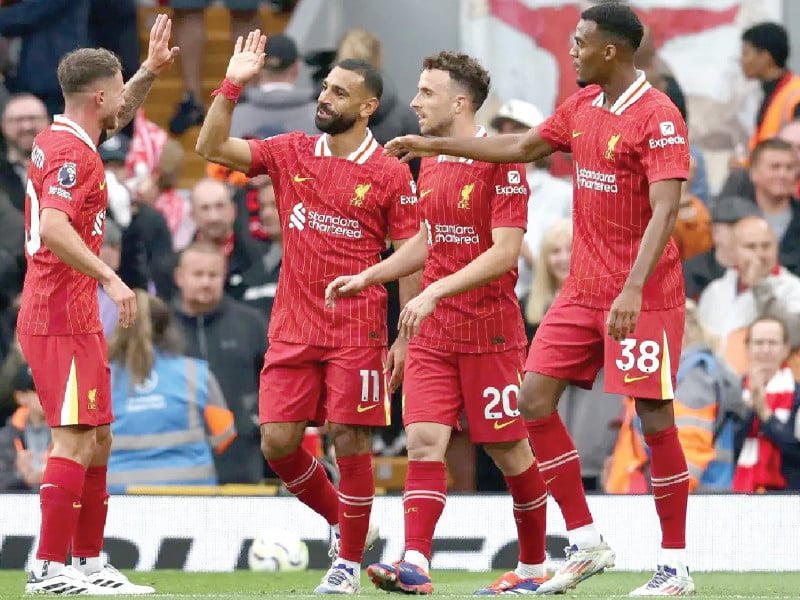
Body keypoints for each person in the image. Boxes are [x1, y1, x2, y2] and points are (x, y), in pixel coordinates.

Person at [385, 3, 693, 595]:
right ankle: (584, 540)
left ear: (611, 50)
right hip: (581, 290)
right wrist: (431, 145)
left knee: (654, 419)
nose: (571, 50)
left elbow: (666, 209)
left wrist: (632, 287)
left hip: (644, 293)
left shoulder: (659, 117)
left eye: (581, 42)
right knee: (531, 400)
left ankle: (674, 564)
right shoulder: (582, 107)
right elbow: (522, 147)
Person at [195, 31, 419, 594]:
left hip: (358, 327)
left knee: (349, 435)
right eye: (323, 88)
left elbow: (416, 248)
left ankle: (345, 565)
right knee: (277, 443)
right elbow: (211, 148)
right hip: (293, 326)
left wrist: (395, 311)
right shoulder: (291, 149)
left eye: (339, 93)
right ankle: (349, 527)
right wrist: (231, 85)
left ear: (367, 107)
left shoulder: (390, 172)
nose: (324, 98)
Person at [327, 50, 550, 596]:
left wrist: (435, 292)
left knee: (509, 450)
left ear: (459, 102)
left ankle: (535, 567)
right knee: (424, 443)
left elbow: (504, 254)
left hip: (491, 332)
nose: (414, 102)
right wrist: (371, 276)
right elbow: (429, 241)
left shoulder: (503, 161)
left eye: (426, 93)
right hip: (433, 330)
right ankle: (416, 563)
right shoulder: (432, 162)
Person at [15, 15, 178, 595]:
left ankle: (85, 560)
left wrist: (151, 71)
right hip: (57, 311)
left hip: (71, 311)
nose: (121, 113)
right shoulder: (72, 155)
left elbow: (117, 111)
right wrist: (111, 276)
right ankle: (47, 566)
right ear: (99, 96)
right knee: (75, 437)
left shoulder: (71, 139)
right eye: (117, 93)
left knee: (98, 434)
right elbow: (56, 227)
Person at [108, 291, 236, 491]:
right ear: (167, 328)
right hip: (191, 495)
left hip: (118, 497)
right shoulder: (194, 373)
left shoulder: (98, 378)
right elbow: (224, 435)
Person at [740, 22, 800, 156]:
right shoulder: (770, 93)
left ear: (765, 57)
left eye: (745, 53)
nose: (741, 61)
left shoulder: (795, 95)